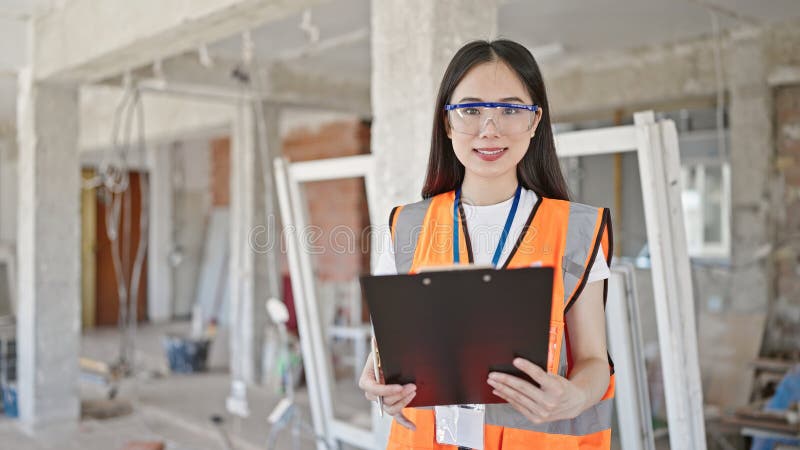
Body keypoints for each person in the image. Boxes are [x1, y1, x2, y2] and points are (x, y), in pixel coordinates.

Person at [359, 39, 615, 450]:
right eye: (471, 109)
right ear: (447, 123)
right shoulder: (406, 226)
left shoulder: (576, 229)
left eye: (511, 110)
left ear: (534, 122)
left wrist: (578, 396)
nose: (490, 129)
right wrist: (377, 380)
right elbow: (386, 354)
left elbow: (593, 360)